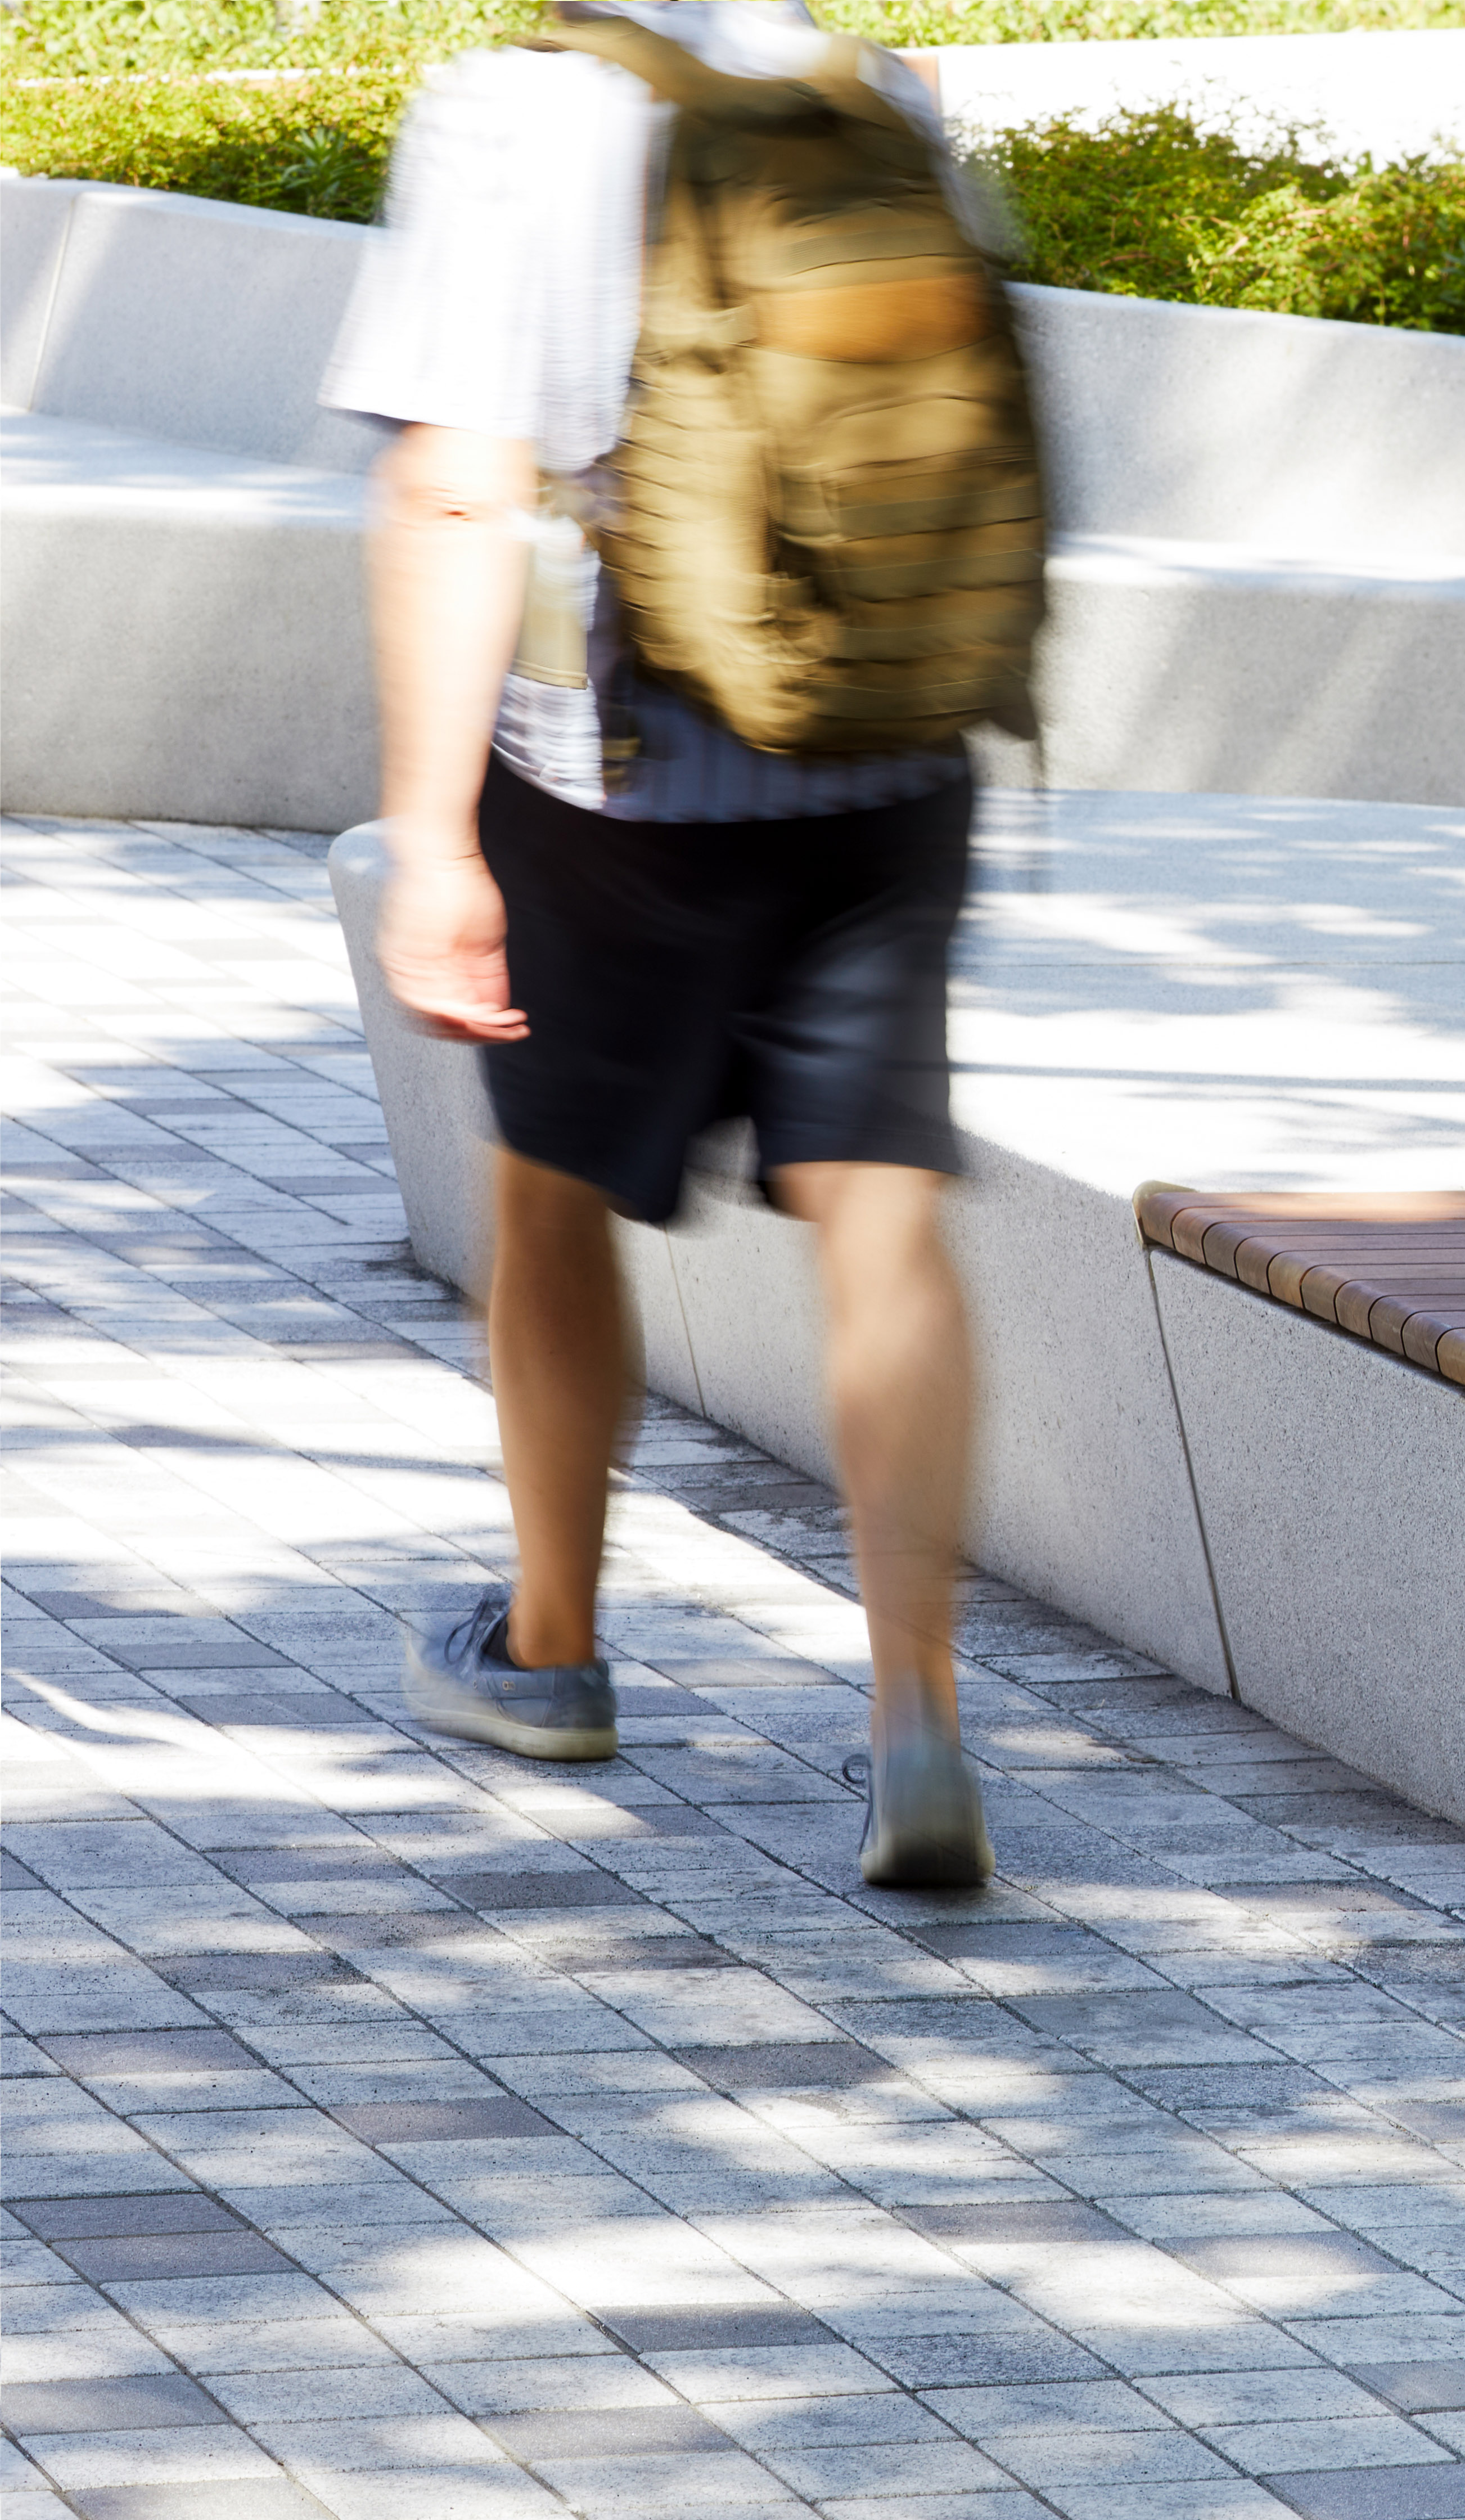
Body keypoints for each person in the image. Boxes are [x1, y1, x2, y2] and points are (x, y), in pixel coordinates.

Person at [327, 0, 1002, 1887]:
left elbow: (460, 484)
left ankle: (550, 1648)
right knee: (885, 1220)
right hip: (889, 755)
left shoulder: (516, 114)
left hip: (615, 780)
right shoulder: (872, 89)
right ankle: (919, 1719)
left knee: (547, 1193)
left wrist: (439, 836)